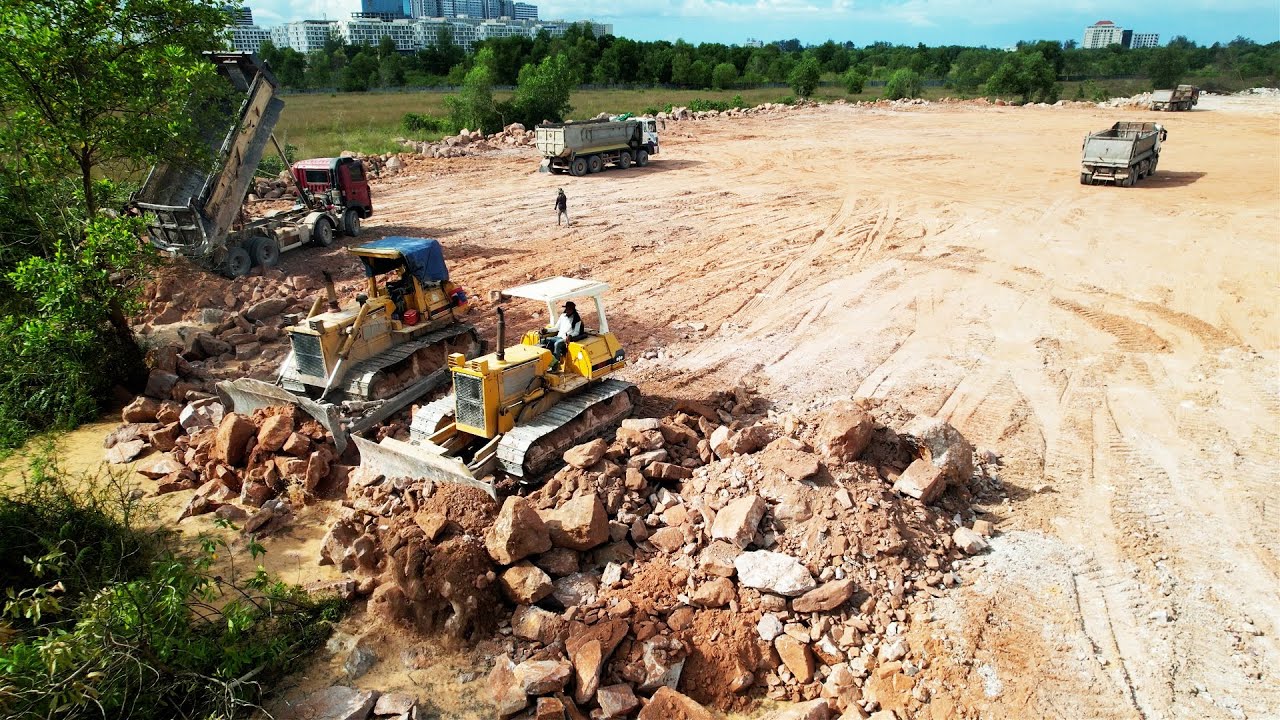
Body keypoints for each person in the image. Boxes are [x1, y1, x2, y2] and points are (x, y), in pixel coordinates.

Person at [544, 301, 584, 369]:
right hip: (558, 337)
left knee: (557, 344)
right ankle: (546, 362)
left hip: (565, 339)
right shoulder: (563, 316)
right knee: (544, 341)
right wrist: (547, 330)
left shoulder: (577, 320)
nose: (568, 311)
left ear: (573, 310)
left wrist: (570, 336)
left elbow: (576, 332)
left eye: (570, 309)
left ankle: (555, 365)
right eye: (567, 309)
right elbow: (556, 328)